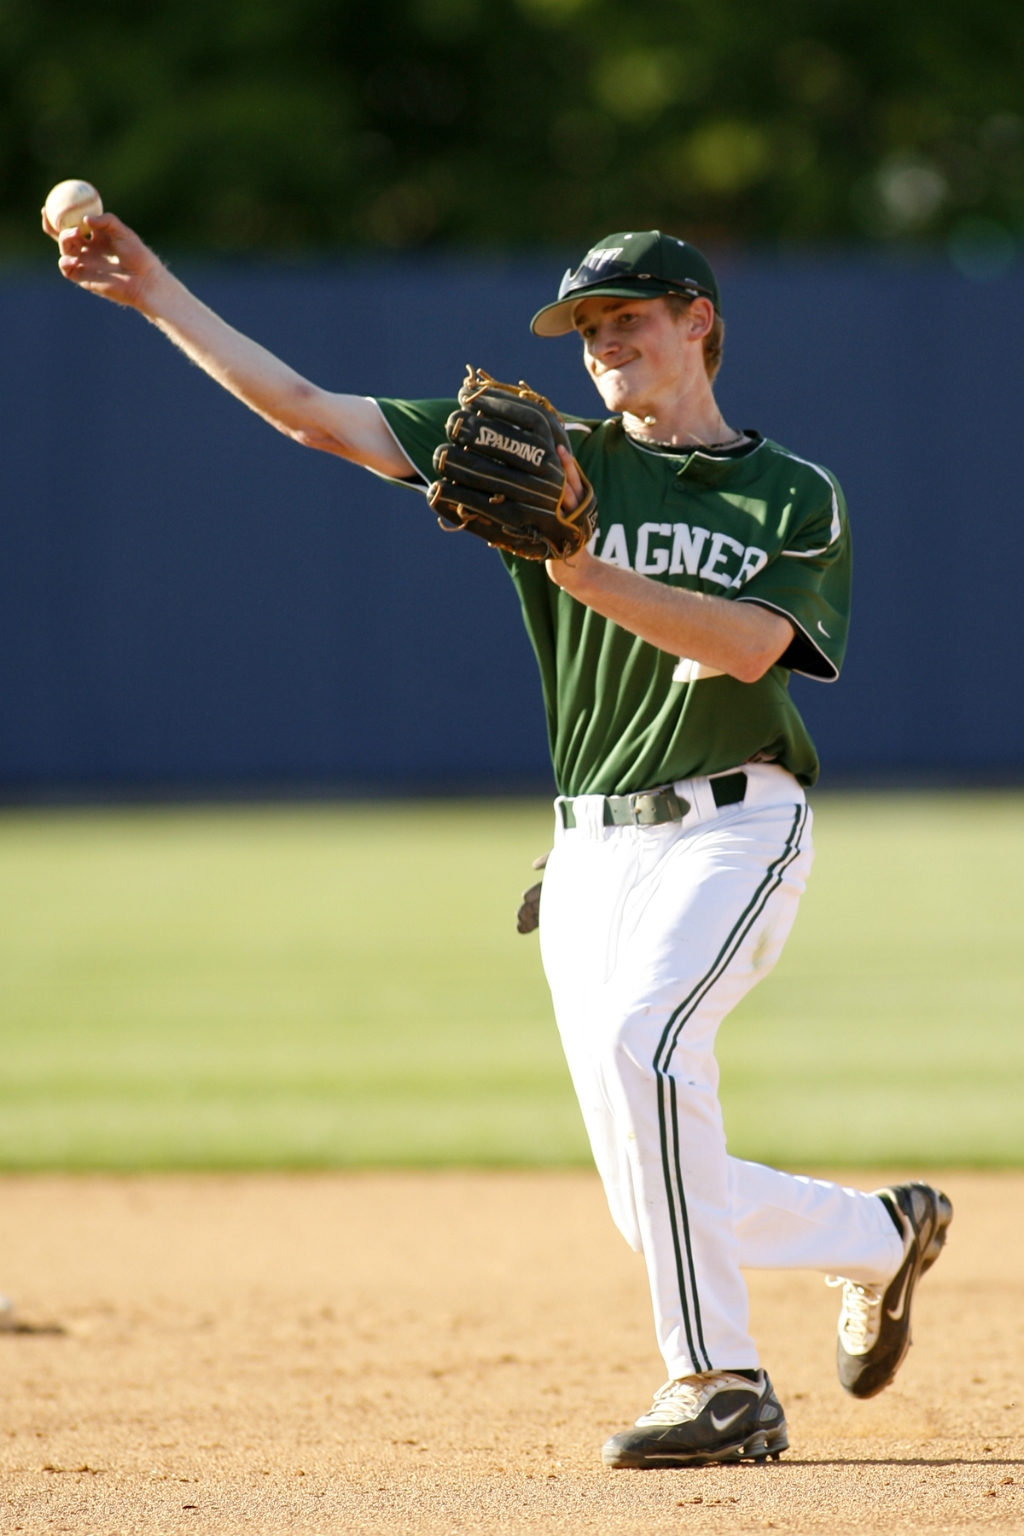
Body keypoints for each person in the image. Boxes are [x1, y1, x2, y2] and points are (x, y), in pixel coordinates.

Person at [47, 211, 952, 1469]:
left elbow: (748, 646)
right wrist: (156, 295)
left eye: (627, 317)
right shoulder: (558, 463)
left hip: (732, 826)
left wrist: (581, 570)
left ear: (699, 322)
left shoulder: (789, 490)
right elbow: (310, 409)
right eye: (586, 329)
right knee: (655, 1191)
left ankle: (721, 1385)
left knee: (651, 1051)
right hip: (587, 853)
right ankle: (881, 1235)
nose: (604, 345)